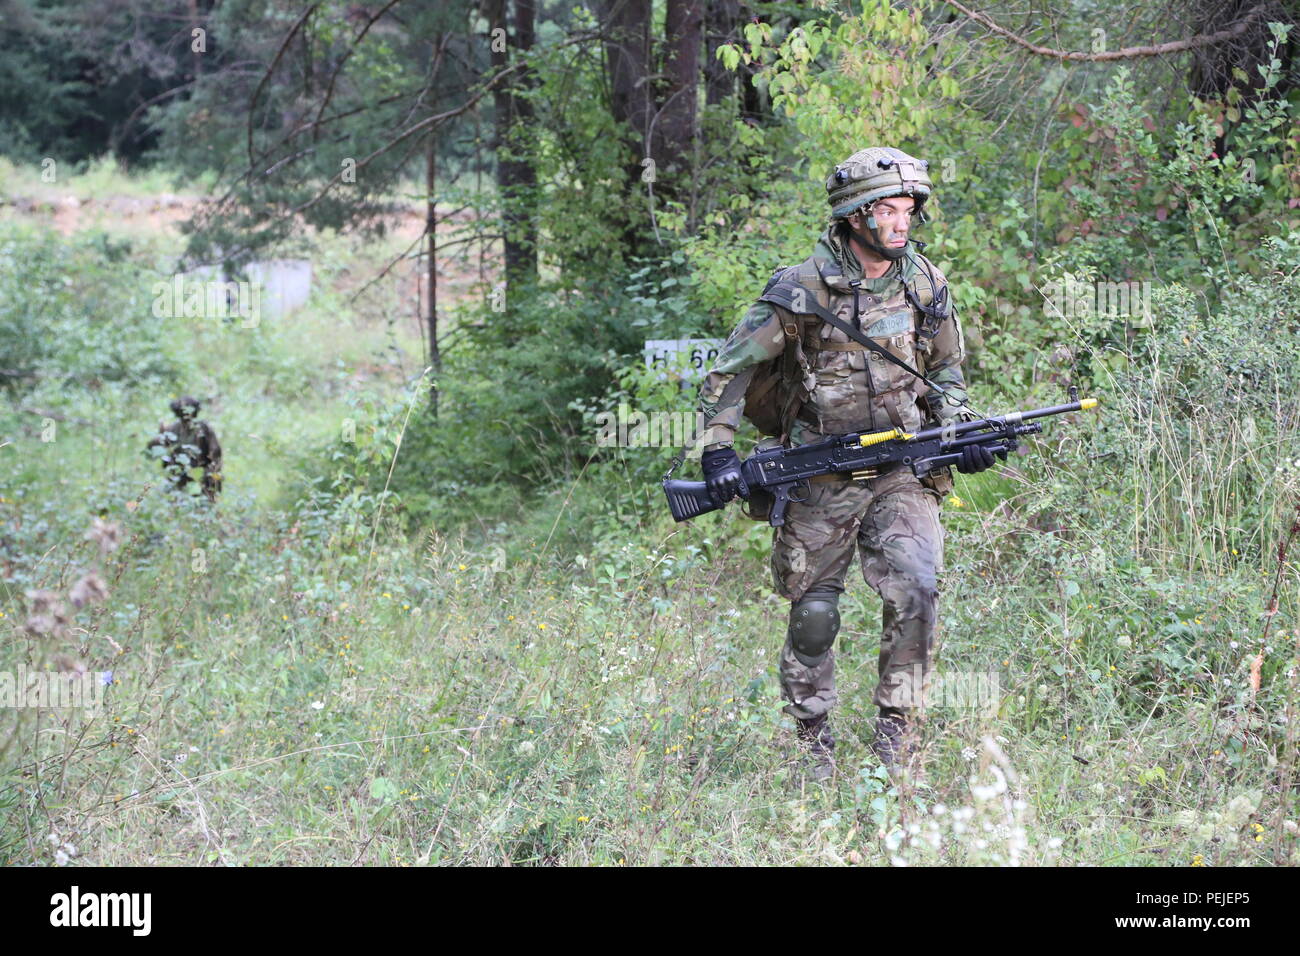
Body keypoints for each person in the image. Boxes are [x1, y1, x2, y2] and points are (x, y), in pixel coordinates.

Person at [695, 147, 999, 780]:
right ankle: (810, 738)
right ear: (855, 217)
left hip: (900, 467)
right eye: (887, 210)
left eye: (908, 208)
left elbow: (945, 371)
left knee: (917, 585)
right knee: (813, 615)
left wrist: (959, 431)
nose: (901, 221)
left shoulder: (925, 283)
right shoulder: (800, 288)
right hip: (816, 471)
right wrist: (719, 448)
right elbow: (733, 368)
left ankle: (897, 730)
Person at [147, 396, 223, 501]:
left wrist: (210, 473)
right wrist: (161, 435)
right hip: (180, 474)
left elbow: (215, 453)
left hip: (201, 473)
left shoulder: (203, 428)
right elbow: (152, 447)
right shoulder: (173, 428)